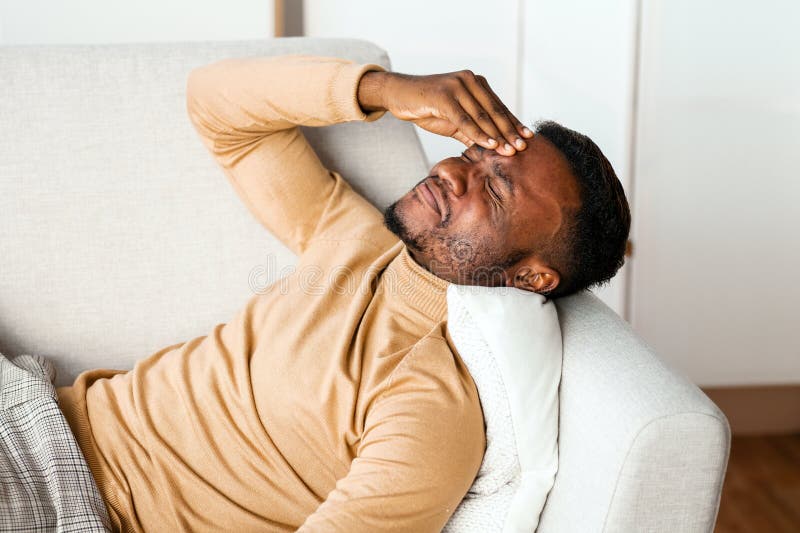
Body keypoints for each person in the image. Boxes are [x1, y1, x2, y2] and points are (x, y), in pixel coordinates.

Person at [57, 55, 630, 532]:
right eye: (475, 153)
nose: (454, 171)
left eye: (495, 191)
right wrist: (383, 89)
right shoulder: (355, 237)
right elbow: (214, 105)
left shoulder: (430, 405)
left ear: (532, 277)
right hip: (41, 411)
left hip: (78, 506)